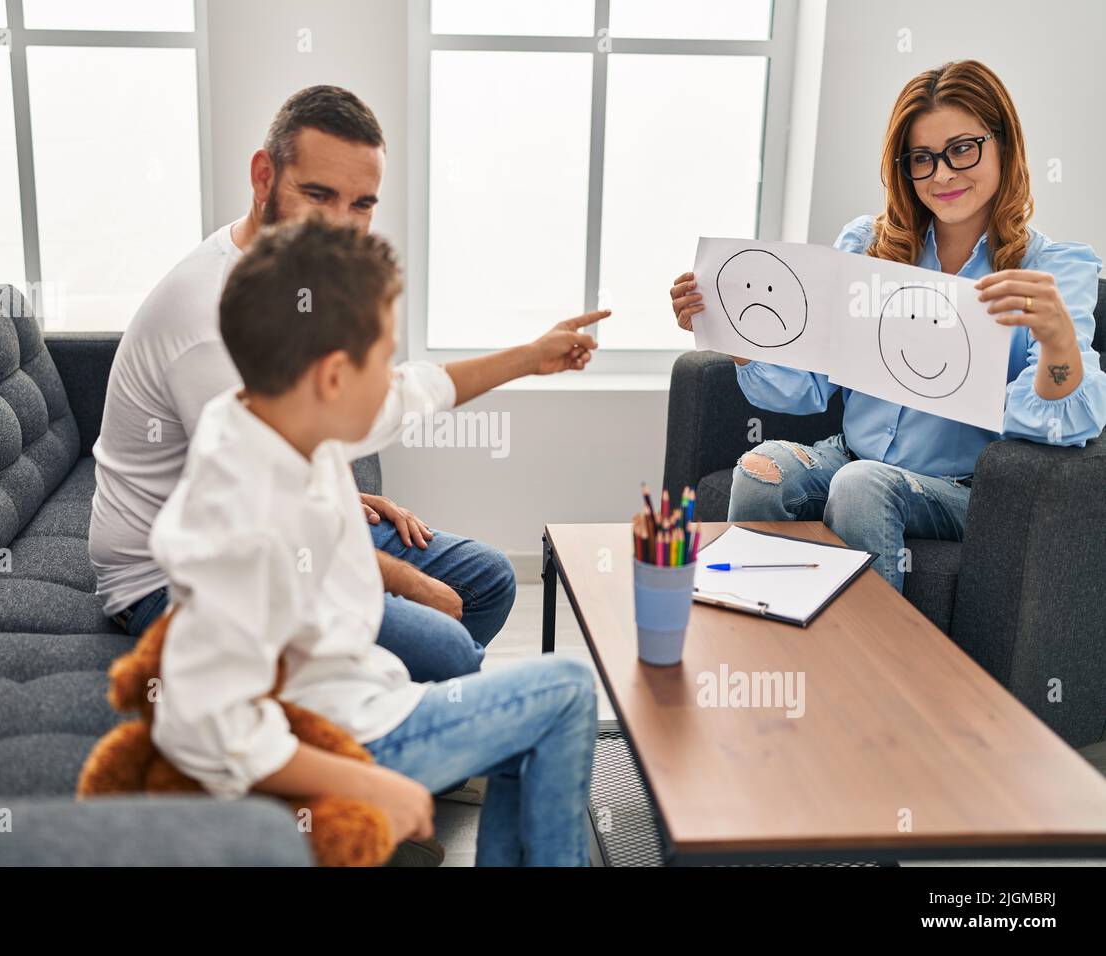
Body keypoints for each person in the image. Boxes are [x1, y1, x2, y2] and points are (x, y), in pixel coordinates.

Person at [90, 86, 583, 682]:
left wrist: (532, 356)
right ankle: (381, 722)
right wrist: (412, 585)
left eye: (361, 204)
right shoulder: (213, 320)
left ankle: (374, 711)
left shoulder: (294, 277)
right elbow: (268, 523)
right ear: (264, 176)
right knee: (448, 645)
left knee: (488, 579)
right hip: (176, 579)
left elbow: (370, 405)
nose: (341, 226)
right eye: (319, 195)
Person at [150, 219, 599, 865]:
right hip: (346, 737)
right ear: (334, 377)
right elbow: (201, 727)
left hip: (369, 692)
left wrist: (531, 356)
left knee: (533, 716)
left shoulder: (281, 409)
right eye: (384, 358)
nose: (393, 377)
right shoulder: (242, 514)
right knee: (566, 690)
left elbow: (418, 394)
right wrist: (365, 782)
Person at [670, 59, 1106, 590]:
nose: (943, 174)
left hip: (961, 488)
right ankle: (751, 634)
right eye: (922, 158)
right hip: (851, 453)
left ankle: (869, 669)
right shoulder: (868, 244)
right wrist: (731, 333)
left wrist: (1059, 341)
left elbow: (1068, 422)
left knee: (861, 484)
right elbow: (809, 384)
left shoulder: (1055, 267)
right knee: (764, 469)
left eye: (962, 149)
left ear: (1004, 146)